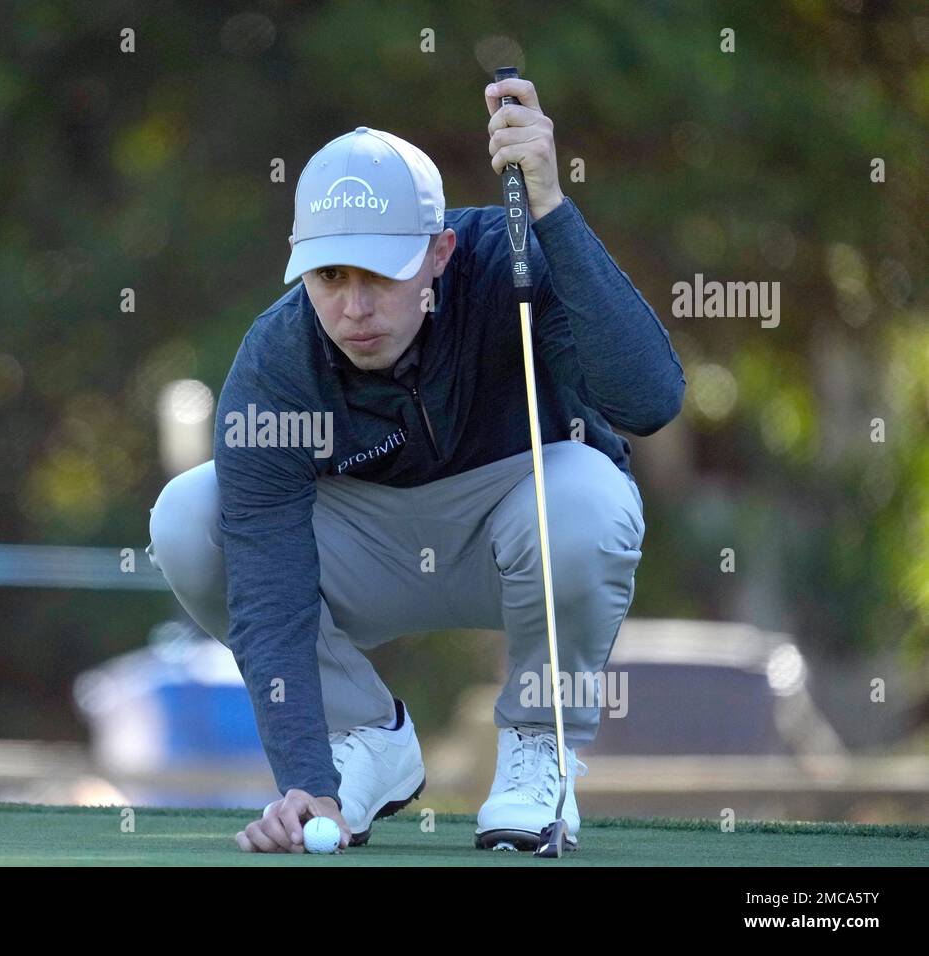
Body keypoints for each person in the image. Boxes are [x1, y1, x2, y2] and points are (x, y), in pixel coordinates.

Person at [146, 76, 684, 853]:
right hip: (370, 556)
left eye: (380, 275)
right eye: (331, 278)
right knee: (189, 516)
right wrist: (305, 780)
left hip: (522, 530)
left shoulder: (514, 264)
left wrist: (553, 213)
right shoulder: (276, 362)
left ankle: (540, 744)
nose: (355, 309)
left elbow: (651, 400)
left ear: (439, 253)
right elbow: (267, 591)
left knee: (589, 498)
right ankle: (362, 740)